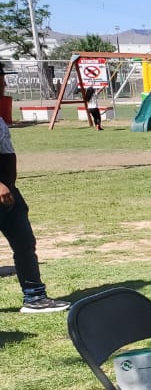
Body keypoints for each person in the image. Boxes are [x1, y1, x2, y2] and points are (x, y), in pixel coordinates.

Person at [0, 117, 70, 313]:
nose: (4, 85)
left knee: (25, 243)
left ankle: (35, 297)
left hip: (10, 193)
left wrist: (8, 185)